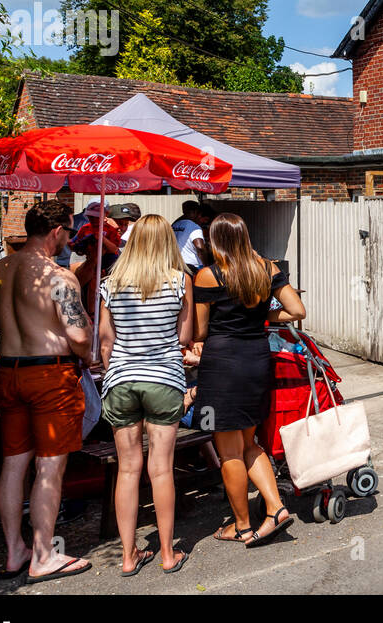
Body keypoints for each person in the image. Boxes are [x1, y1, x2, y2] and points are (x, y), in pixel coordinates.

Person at [0, 200, 94, 583]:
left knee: (13, 464)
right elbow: (78, 336)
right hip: (49, 376)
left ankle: (15, 551)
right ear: (56, 231)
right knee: (49, 465)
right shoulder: (58, 277)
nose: (70, 239)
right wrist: (88, 343)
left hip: (9, 372)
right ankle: (44, 555)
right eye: (69, 232)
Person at [192, 213, 306, 546]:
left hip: (223, 363)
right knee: (249, 443)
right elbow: (297, 310)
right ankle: (275, 508)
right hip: (256, 359)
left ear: (216, 241)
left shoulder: (207, 276)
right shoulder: (268, 269)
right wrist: (264, 316)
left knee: (228, 451)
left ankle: (241, 525)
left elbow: (200, 331)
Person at [98, 215, 193, 576]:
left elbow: (106, 340)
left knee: (127, 469)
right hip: (163, 379)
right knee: (161, 469)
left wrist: (114, 370)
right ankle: (168, 554)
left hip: (121, 381)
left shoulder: (112, 282)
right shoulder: (179, 281)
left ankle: (127, 556)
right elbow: (185, 337)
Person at [172, 201, 207, 275]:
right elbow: (200, 247)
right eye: (199, 214)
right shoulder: (194, 227)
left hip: (176, 266)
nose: (200, 217)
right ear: (195, 212)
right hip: (194, 267)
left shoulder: (174, 225)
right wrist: (206, 265)